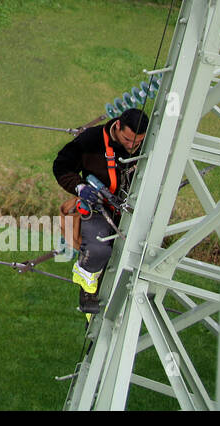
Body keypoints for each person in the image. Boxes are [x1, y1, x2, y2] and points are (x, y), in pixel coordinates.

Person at [53, 107, 149, 319]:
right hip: (98, 206)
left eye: (138, 142)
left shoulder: (147, 143)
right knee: (98, 248)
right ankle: (87, 287)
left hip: (131, 209)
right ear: (117, 127)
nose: (132, 146)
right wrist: (80, 187)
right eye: (127, 139)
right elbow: (61, 166)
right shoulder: (91, 140)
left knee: (138, 259)